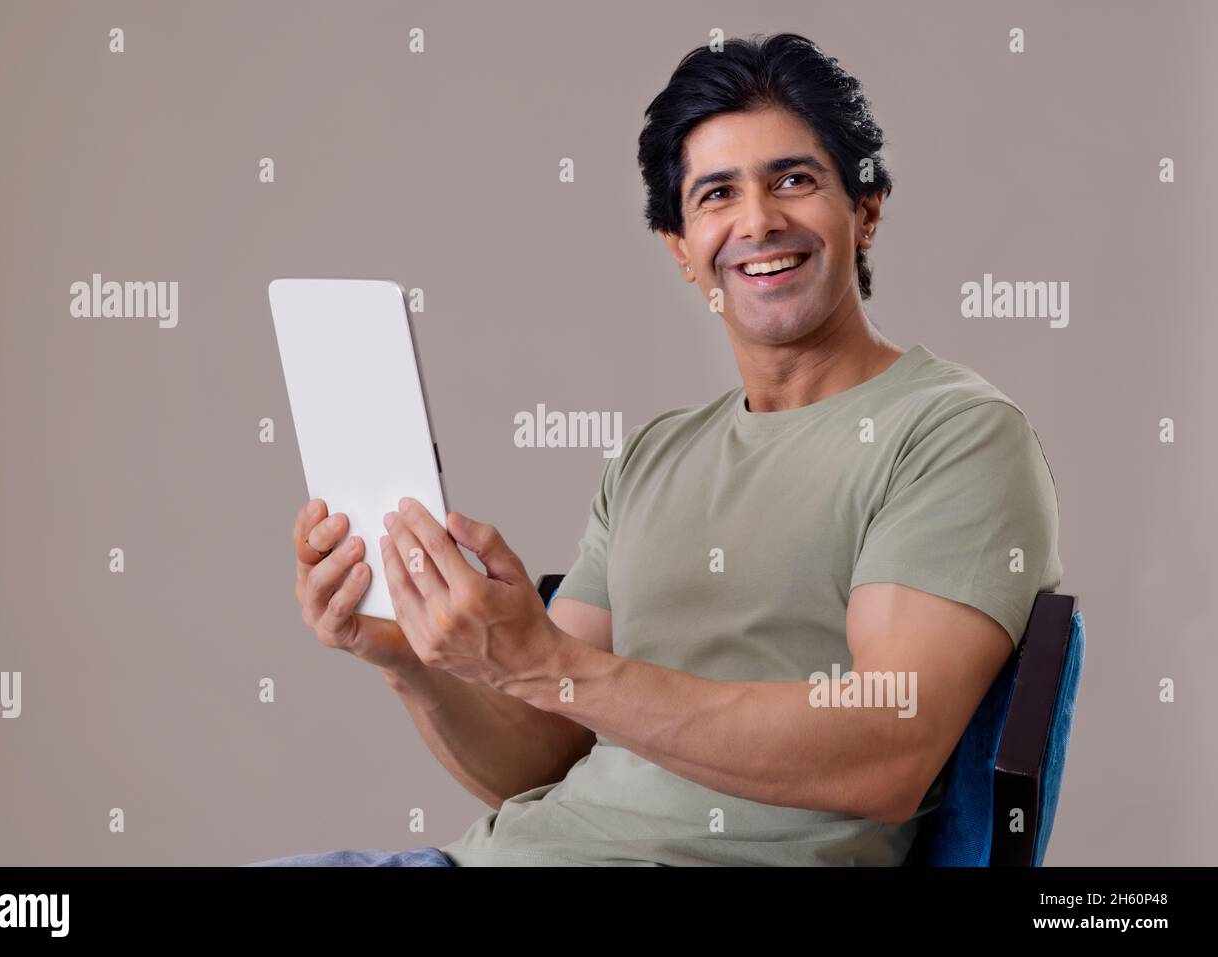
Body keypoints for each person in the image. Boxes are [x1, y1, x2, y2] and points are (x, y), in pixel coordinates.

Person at [252, 32, 1061, 867]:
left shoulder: (954, 435)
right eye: (716, 194)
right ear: (681, 248)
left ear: (865, 209)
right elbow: (540, 760)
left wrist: (546, 660)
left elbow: (887, 750)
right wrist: (412, 659)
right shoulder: (652, 458)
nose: (758, 220)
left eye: (793, 179)